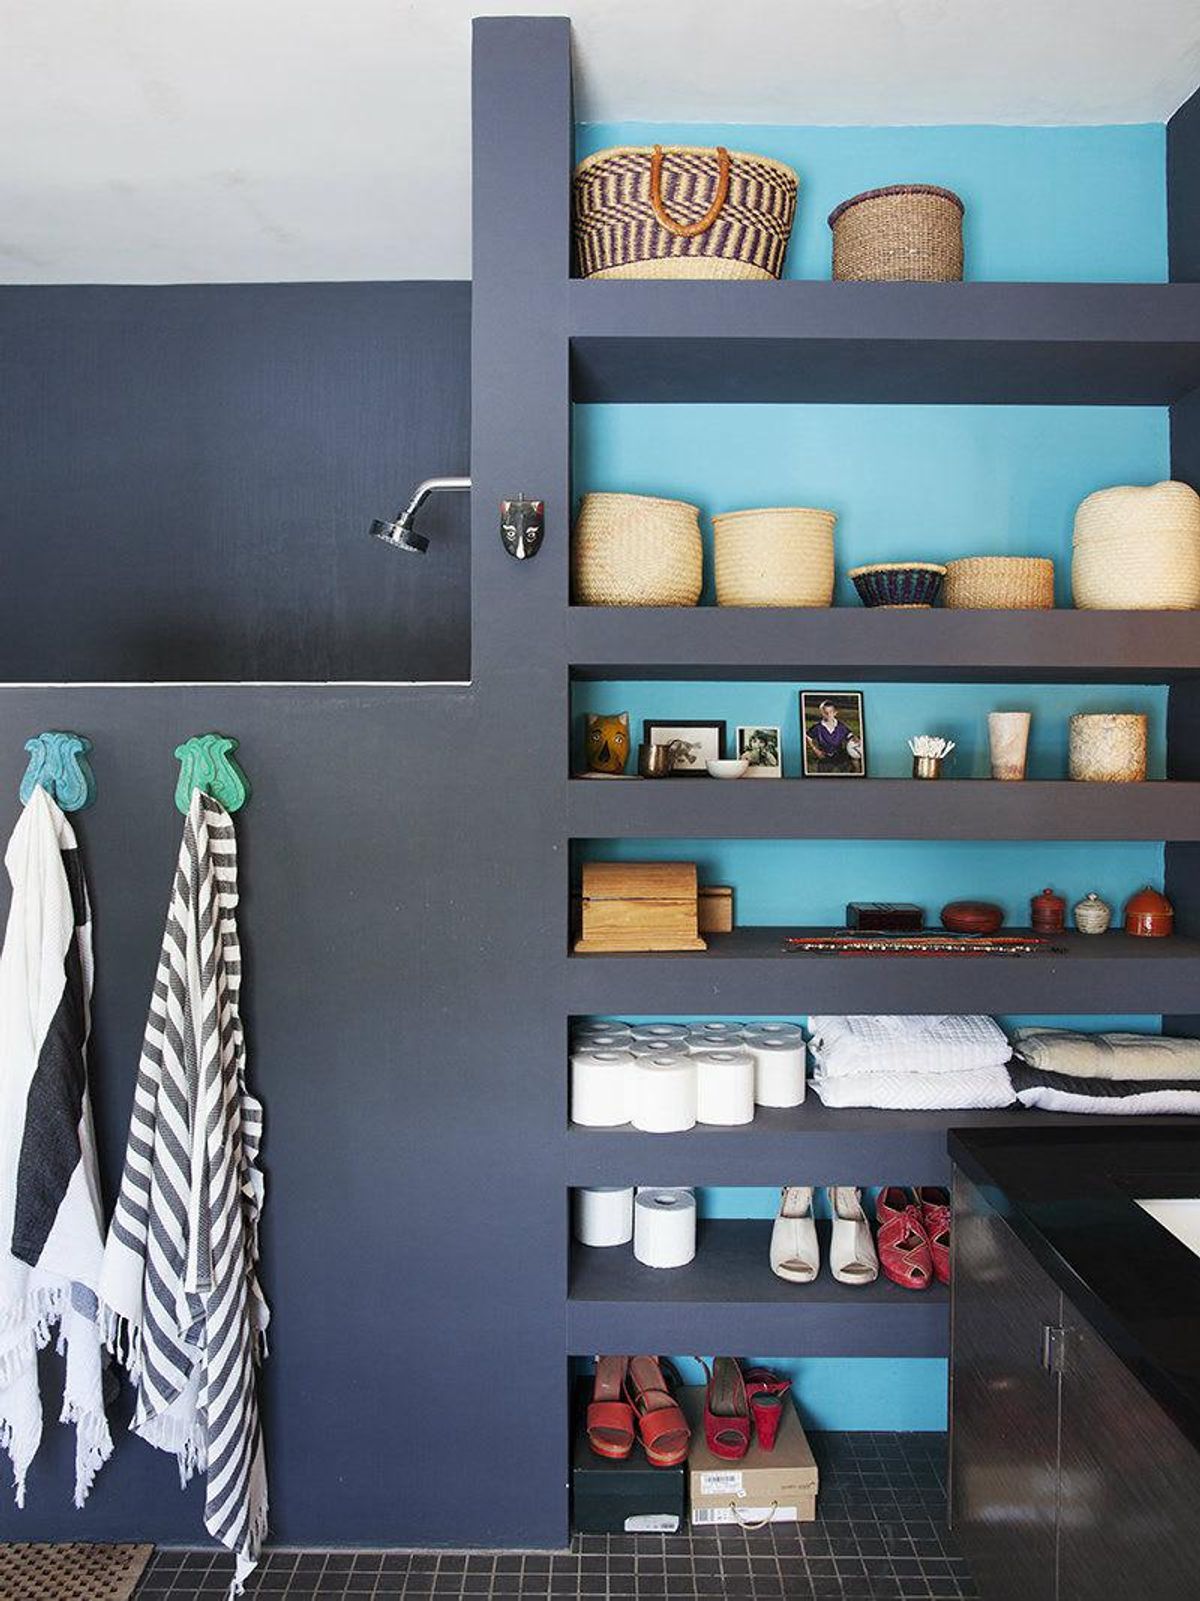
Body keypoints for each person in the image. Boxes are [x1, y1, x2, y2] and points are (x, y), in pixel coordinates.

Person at [806, 700, 860, 773]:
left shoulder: (841, 726)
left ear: (835, 713)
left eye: (830, 712)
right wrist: (816, 750)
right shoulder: (817, 727)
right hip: (824, 757)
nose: (828, 714)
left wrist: (854, 738)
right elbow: (808, 737)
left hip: (840, 756)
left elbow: (849, 735)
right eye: (825, 712)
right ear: (821, 712)